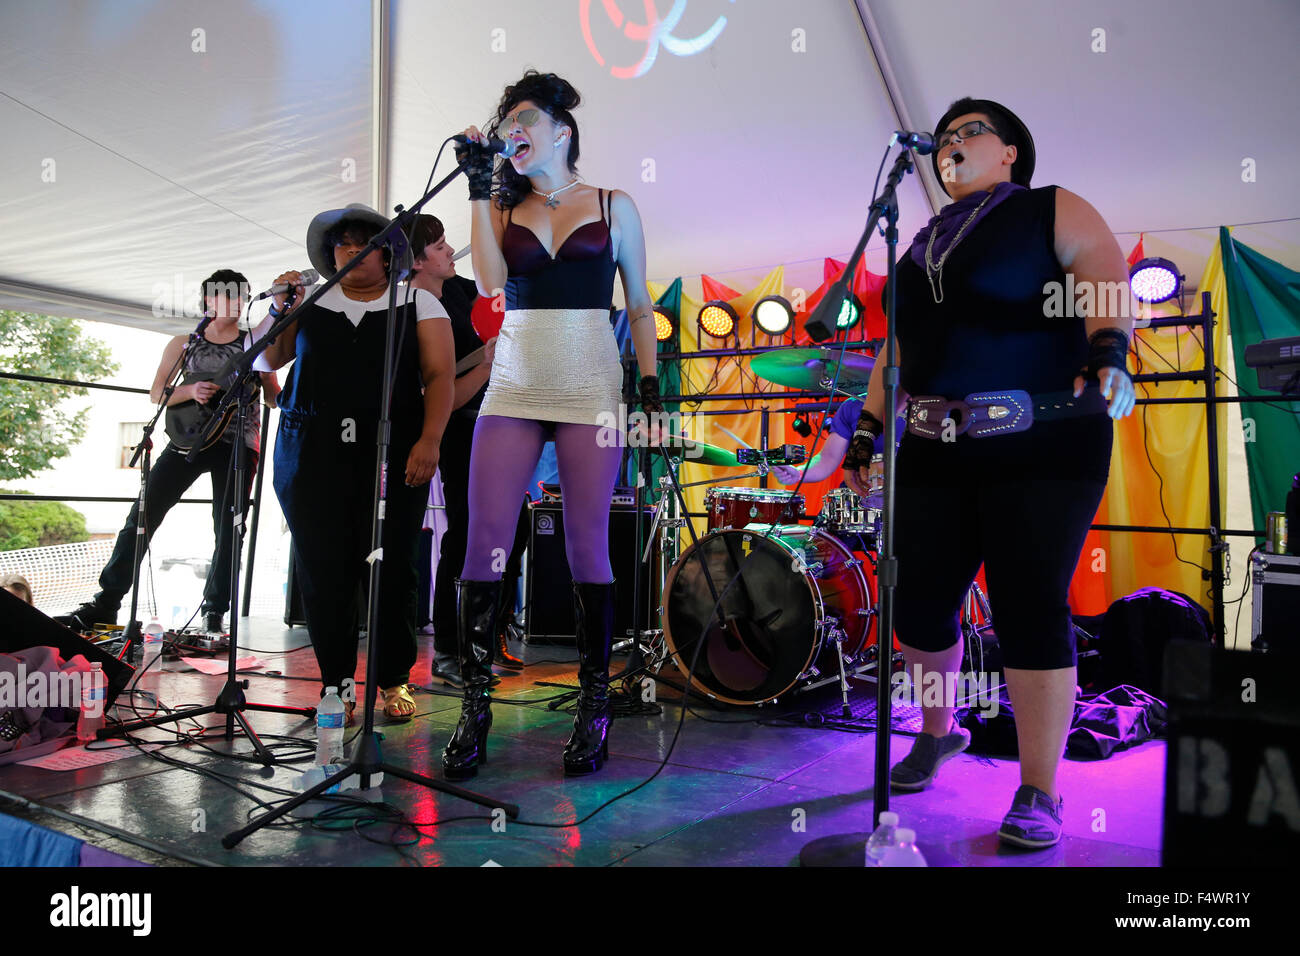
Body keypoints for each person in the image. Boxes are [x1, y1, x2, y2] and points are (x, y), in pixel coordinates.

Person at [843, 98, 1135, 849]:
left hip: (1046, 439)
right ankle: (938, 731)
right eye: (944, 138)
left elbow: (1103, 273)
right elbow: (897, 351)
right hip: (935, 446)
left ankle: (1040, 787)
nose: (953, 143)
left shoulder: (1049, 208)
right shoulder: (916, 245)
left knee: (1028, 605)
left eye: (971, 131)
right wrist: (867, 431)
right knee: (916, 606)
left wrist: (1109, 352)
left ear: (1010, 152)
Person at [444, 70, 659, 779]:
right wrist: (479, 189)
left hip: (591, 383)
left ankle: (594, 706)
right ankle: (475, 707)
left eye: (525, 117)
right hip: (514, 382)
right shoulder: (505, 205)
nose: (513, 128)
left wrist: (650, 381)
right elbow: (488, 283)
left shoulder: (614, 203)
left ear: (562, 130)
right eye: (506, 121)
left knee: (587, 544)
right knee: (484, 543)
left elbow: (638, 301)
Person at [259, 205, 455, 724]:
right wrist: (280, 307)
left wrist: (430, 439)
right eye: (343, 243)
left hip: (393, 452)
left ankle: (393, 679)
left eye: (365, 242)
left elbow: (439, 377)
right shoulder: (309, 301)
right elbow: (263, 360)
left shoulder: (417, 302)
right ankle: (336, 685)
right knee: (324, 570)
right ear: (331, 254)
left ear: (389, 254)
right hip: (311, 455)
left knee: (393, 567)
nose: (353, 250)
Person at [57, 270, 279, 636]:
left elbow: (272, 395)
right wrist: (190, 392)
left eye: (240, 295)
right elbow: (157, 393)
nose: (234, 302)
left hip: (238, 444)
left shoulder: (254, 342)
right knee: (142, 515)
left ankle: (214, 611)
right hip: (186, 440)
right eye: (225, 294)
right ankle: (106, 602)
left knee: (229, 528)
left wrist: (274, 389)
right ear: (208, 300)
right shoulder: (184, 343)